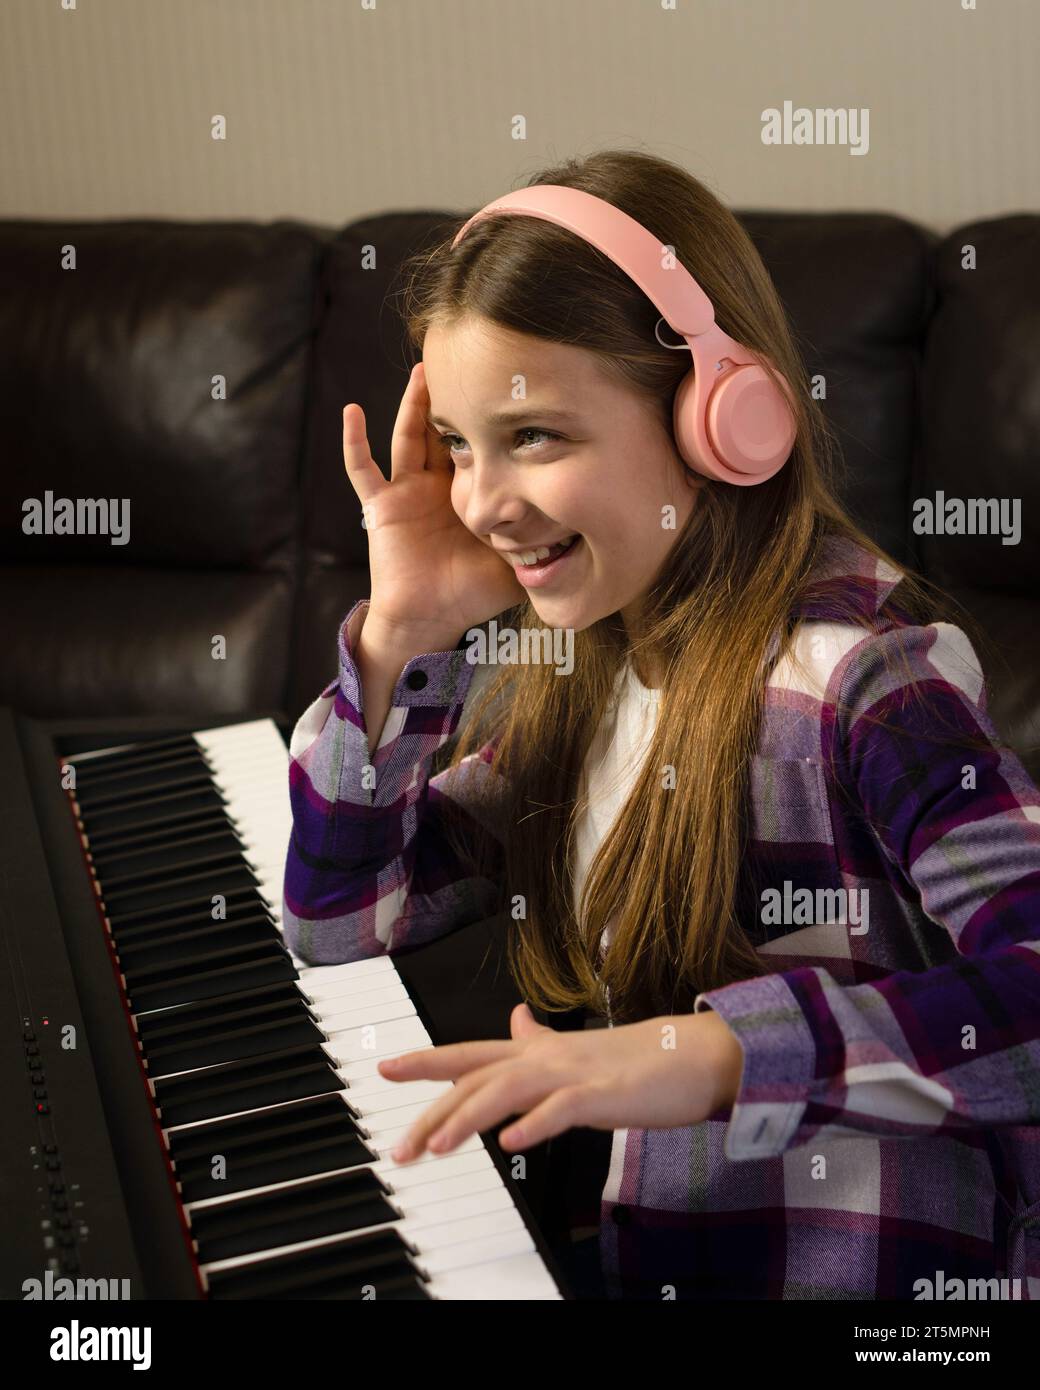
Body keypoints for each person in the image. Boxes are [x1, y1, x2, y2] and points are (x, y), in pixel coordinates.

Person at [282, 149, 1040, 1301]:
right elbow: (338, 919)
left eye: (533, 435)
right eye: (463, 445)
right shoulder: (580, 670)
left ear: (718, 418)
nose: (481, 502)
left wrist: (714, 1054)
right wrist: (398, 637)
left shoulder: (858, 680)